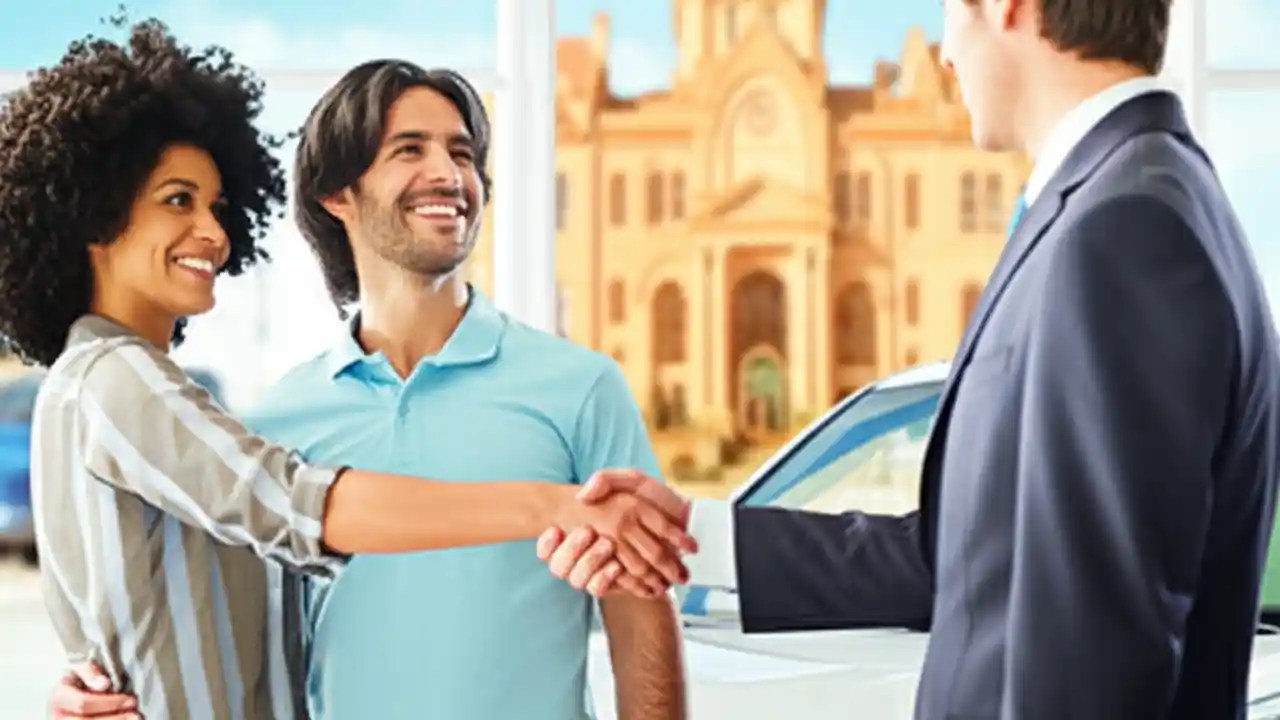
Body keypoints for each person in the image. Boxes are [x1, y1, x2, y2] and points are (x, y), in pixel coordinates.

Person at [540, 0, 1280, 717]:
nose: (946, 50)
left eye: (950, 13)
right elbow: (961, 559)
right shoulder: (1133, 198)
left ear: (1008, 6)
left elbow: (1104, 650)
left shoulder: (1122, 228)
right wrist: (687, 534)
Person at [0, 23, 691, 720]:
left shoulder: (581, 388)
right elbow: (269, 585)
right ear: (339, 195)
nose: (449, 174)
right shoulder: (272, 420)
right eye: (409, 150)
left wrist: (101, 677)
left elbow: (642, 613)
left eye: (463, 153)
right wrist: (95, 684)